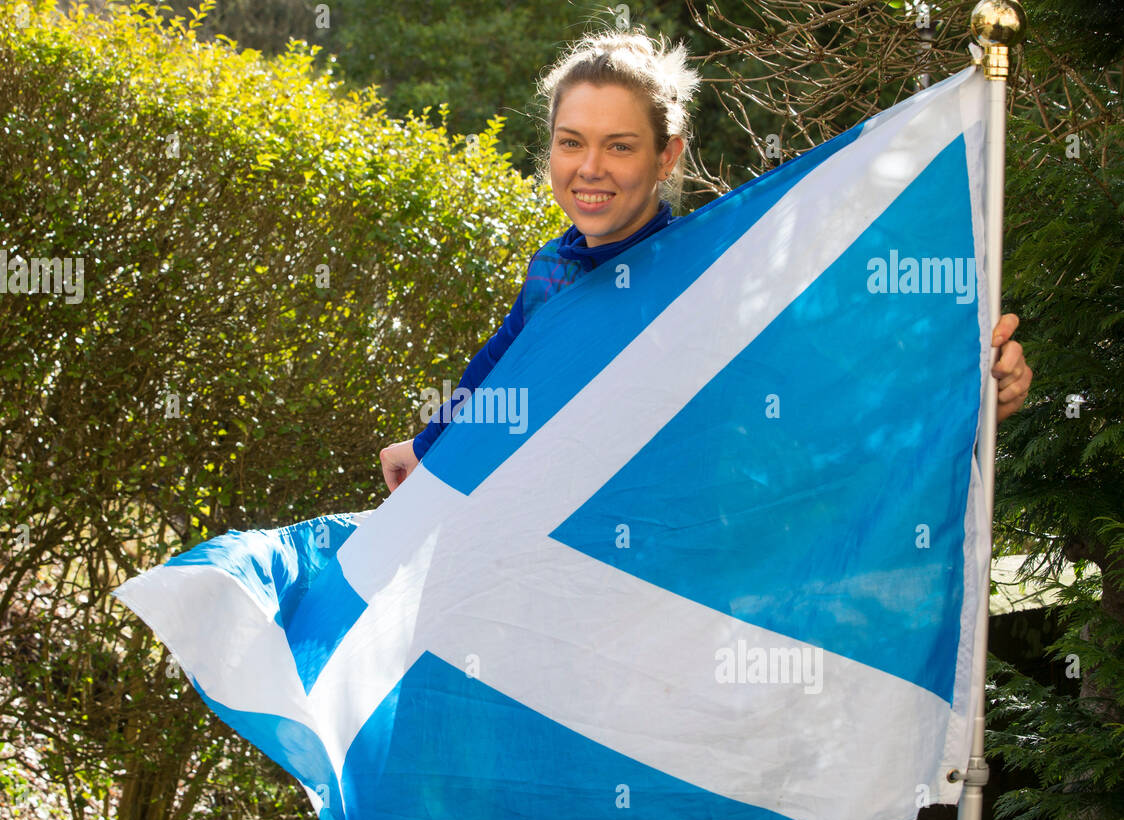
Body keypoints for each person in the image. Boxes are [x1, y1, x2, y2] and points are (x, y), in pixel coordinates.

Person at [379, 30, 1033, 492]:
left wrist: (969, 389)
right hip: (532, 582)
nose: (589, 168)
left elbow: (823, 396)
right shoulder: (551, 268)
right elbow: (498, 375)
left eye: (620, 146)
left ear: (667, 156)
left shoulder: (712, 279)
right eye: (570, 142)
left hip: (660, 593)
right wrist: (425, 449)